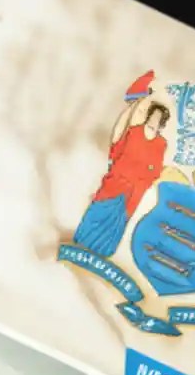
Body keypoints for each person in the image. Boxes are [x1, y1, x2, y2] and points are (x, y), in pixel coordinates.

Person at [73, 95, 171, 257]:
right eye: (153, 116)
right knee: (99, 210)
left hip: (133, 191)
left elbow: (155, 170)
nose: (154, 120)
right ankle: (81, 243)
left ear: (162, 122)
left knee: (116, 223)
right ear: (149, 115)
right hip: (116, 182)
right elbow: (117, 145)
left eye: (158, 118)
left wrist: (142, 177)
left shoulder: (161, 144)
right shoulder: (134, 132)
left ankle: (102, 253)